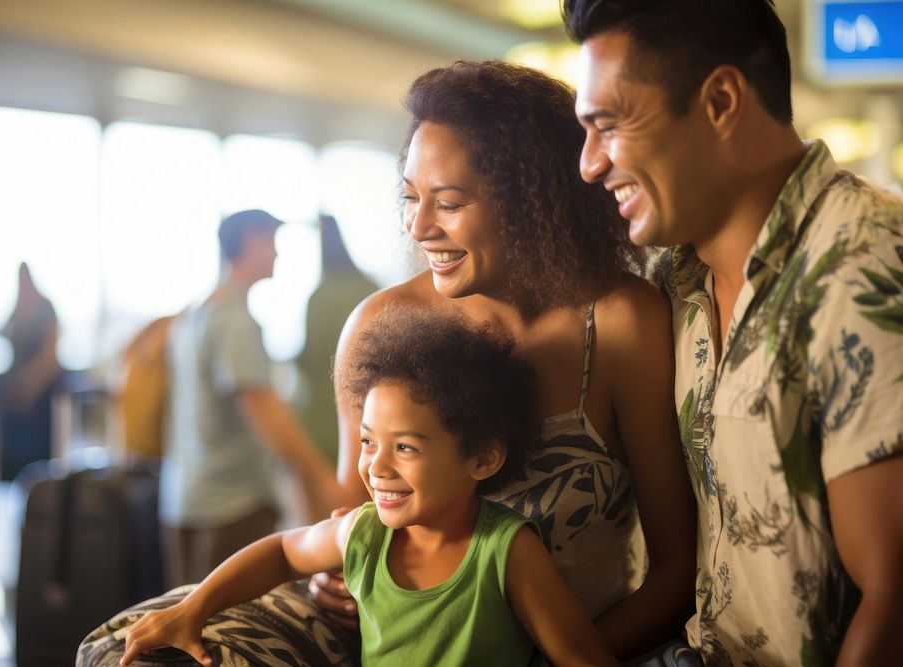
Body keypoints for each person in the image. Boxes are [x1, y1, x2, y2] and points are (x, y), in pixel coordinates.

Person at [77, 63, 695, 666]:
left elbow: (674, 570)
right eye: (410, 197)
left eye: (448, 202)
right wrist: (337, 579)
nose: (420, 227)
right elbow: (355, 519)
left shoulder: (619, 322)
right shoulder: (380, 328)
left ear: (534, 199)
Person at [563, 1, 903, 664]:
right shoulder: (674, 282)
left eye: (608, 125)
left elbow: (893, 603)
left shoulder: (860, 261)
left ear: (720, 100)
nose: (589, 164)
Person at [120, 306, 616, 667]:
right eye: (367, 442)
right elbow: (281, 553)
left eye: (405, 448)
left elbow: (580, 656)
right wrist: (192, 608)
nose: (376, 467)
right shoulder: (362, 533)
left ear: (482, 458)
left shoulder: (507, 551)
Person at [159, 209, 346, 589]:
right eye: (271, 243)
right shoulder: (234, 321)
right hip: (232, 505)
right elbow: (263, 410)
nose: (277, 255)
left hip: (185, 498)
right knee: (226, 636)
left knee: (190, 624)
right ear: (251, 244)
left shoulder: (194, 314)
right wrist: (323, 478)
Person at [296, 214, 379, 467]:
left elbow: (310, 361)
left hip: (324, 417)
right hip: (372, 413)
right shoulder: (372, 288)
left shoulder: (319, 297)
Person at [0, 261, 63, 481]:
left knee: (39, 455)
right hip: (17, 390)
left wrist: (29, 385)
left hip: (41, 390)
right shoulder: (15, 309)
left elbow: (49, 356)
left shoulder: (45, 307)